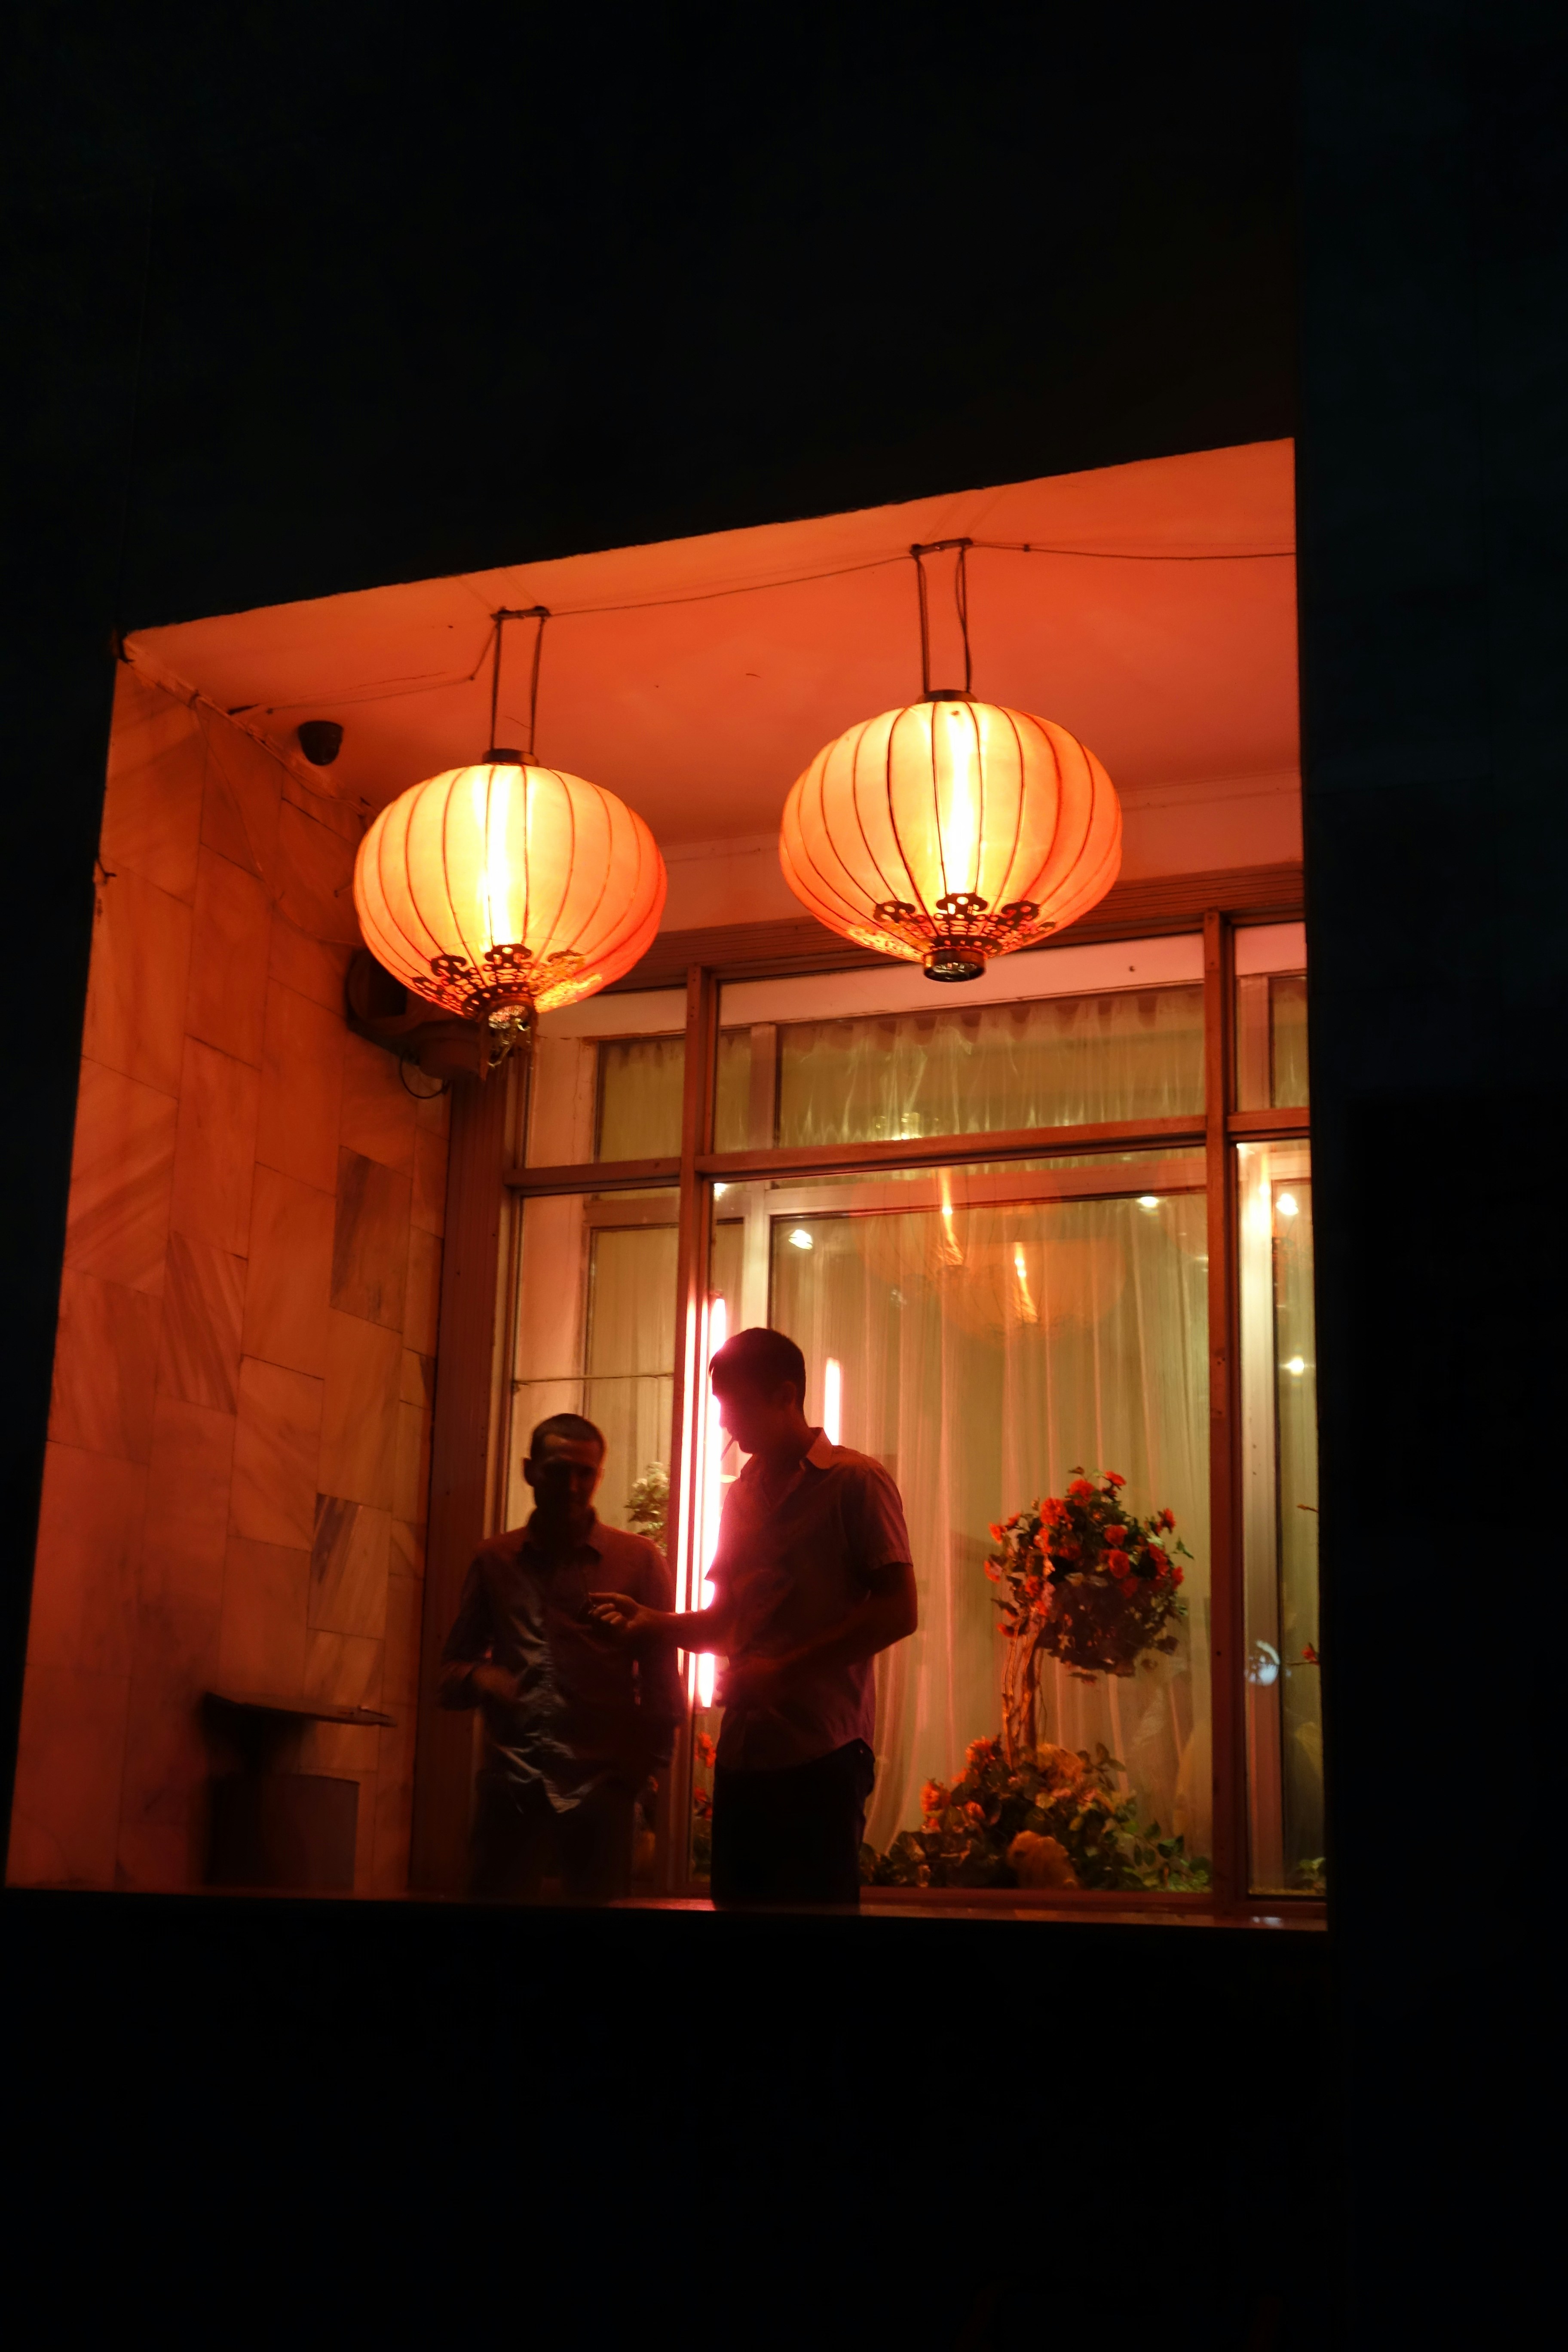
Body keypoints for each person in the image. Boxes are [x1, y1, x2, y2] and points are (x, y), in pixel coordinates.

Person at [591, 1326, 917, 1908]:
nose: (724, 1423)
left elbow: (899, 1611)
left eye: (733, 1405)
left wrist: (783, 1672)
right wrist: (651, 1621)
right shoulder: (741, 1495)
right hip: (745, 1752)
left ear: (785, 1396)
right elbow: (727, 1623)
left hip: (824, 1753)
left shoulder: (856, 1483)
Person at [439, 1412, 682, 1904]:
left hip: (603, 1786)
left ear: (599, 1477)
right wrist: (482, 1678)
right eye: (558, 1471)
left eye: (584, 1474)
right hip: (514, 1783)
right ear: (530, 1471)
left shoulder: (638, 1561)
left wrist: (641, 1772)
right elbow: (450, 1671)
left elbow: (662, 1678)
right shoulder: (494, 1560)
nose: (572, 1487)